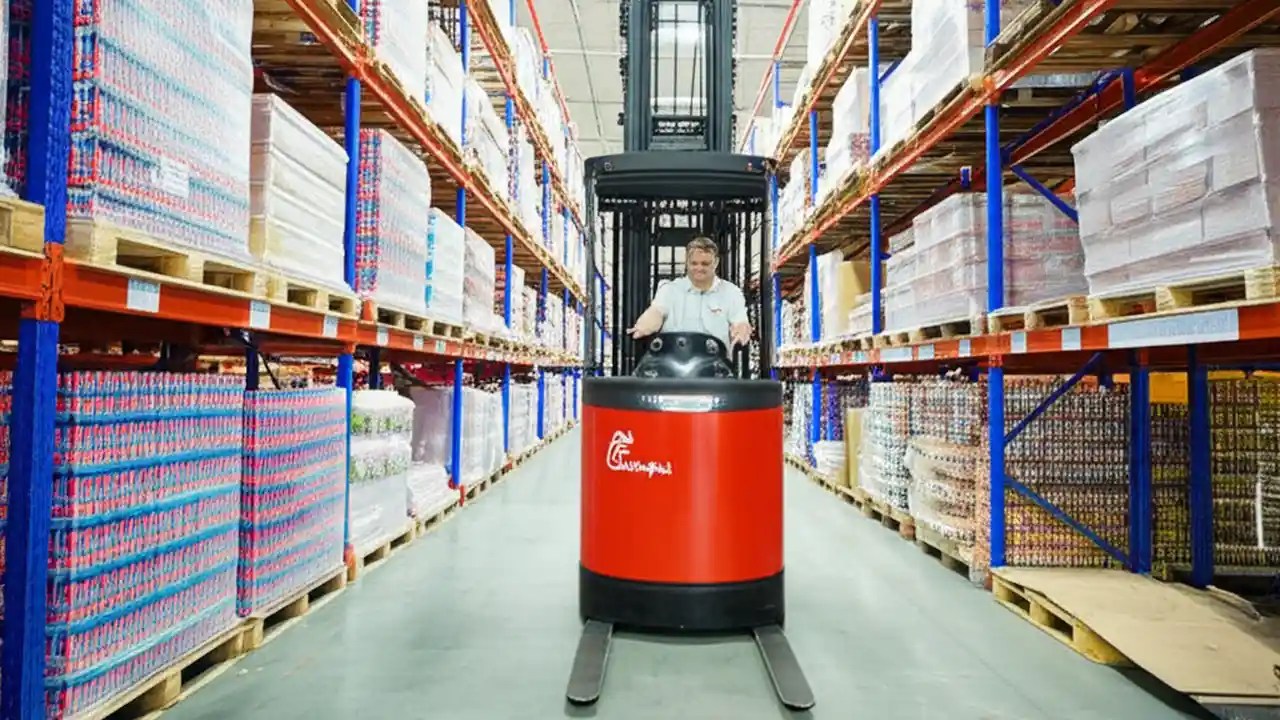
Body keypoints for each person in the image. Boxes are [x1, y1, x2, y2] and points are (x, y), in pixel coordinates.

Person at [627, 236, 752, 349]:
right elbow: (656, 312)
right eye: (694, 263)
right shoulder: (669, 290)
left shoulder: (731, 292)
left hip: (715, 367)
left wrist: (741, 332)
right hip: (673, 365)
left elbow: (740, 322)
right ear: (686, 262)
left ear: (716, 263)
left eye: (705, 264)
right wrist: (644, 325)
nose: (699, 268)